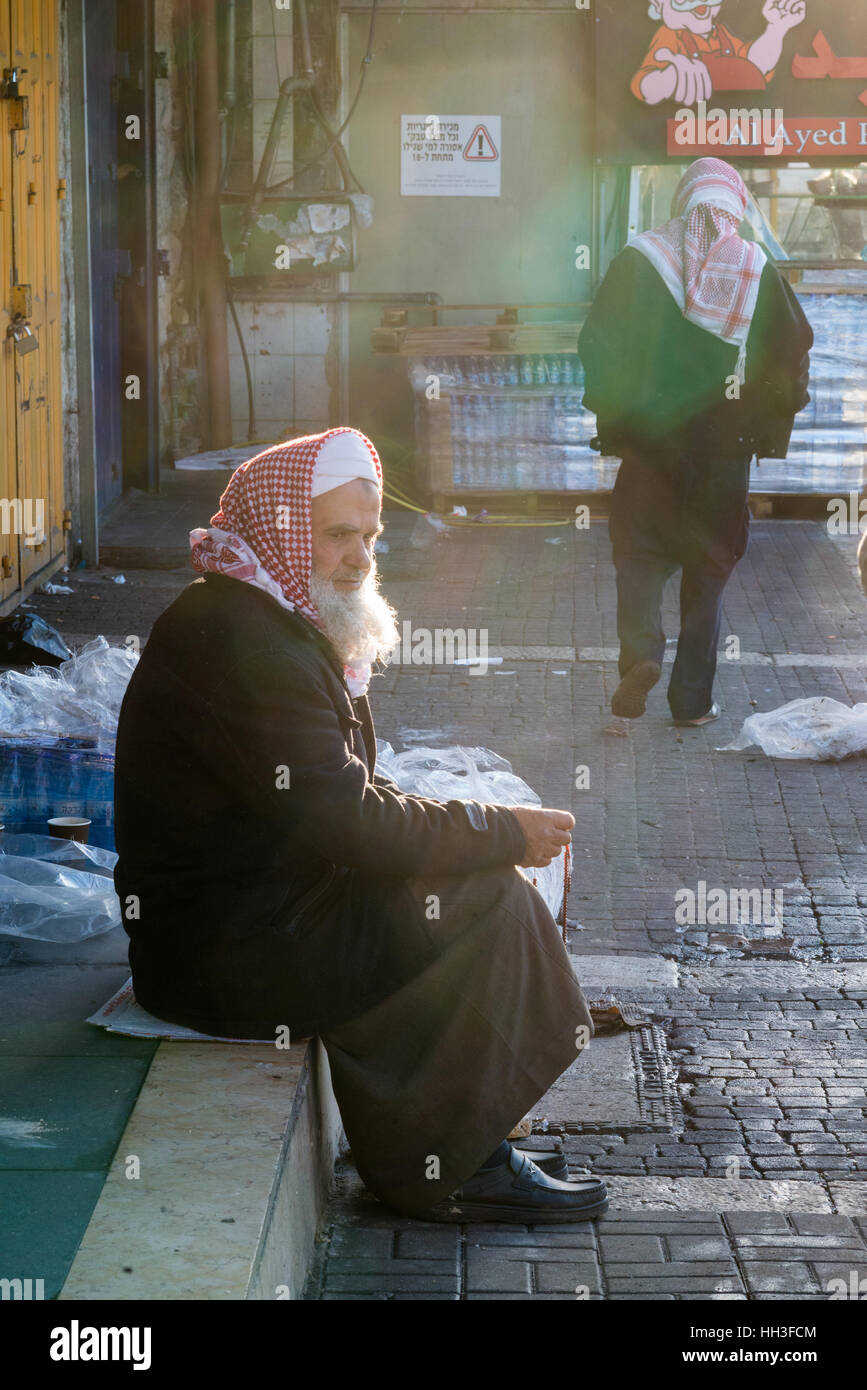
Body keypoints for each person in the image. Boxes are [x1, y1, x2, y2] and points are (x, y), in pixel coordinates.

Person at [113, 426, 607, 1223]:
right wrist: (500, 830)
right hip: (224, 953)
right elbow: (346, 817)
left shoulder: (267, 614)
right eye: (338, 534)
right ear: (281, 529)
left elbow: (339, 800)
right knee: (487, 898)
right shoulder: (244, 638)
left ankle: (449, 1136)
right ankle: (457, 1158)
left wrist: (477, 831)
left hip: (260, 918)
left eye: (370, 536)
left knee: (461, 880)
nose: (360, 557)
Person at [579, 158, 812, 725]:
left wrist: (618, 424)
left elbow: (597, 345)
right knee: (707, 576)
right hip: (722, 457)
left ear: (683, 202)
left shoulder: (641, 259)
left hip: (650, 450)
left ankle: (640, 656)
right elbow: (792, 356)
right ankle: (691, 702)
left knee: (638, 558)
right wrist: (761, 430)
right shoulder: (757, 268)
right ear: (735, 207)